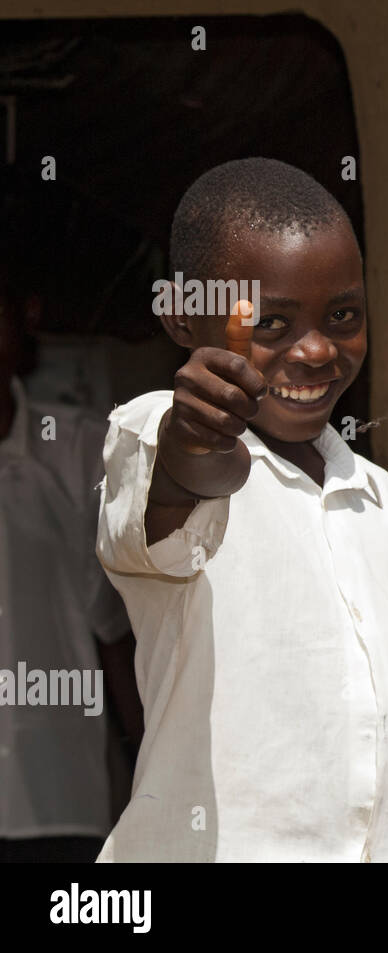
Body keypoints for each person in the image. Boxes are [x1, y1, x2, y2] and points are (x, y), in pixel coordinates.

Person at [95, 158, 388, 861]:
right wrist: (195, 440)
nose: (316, 349)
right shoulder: (154, 430)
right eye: (271, 322)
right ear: (178, 315)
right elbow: (178, 486)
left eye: (342, 316)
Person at [0, 263, 134, 862]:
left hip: (61, 798)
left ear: (20, 317)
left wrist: (151, 783)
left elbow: (119, 634)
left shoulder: (84, 450)